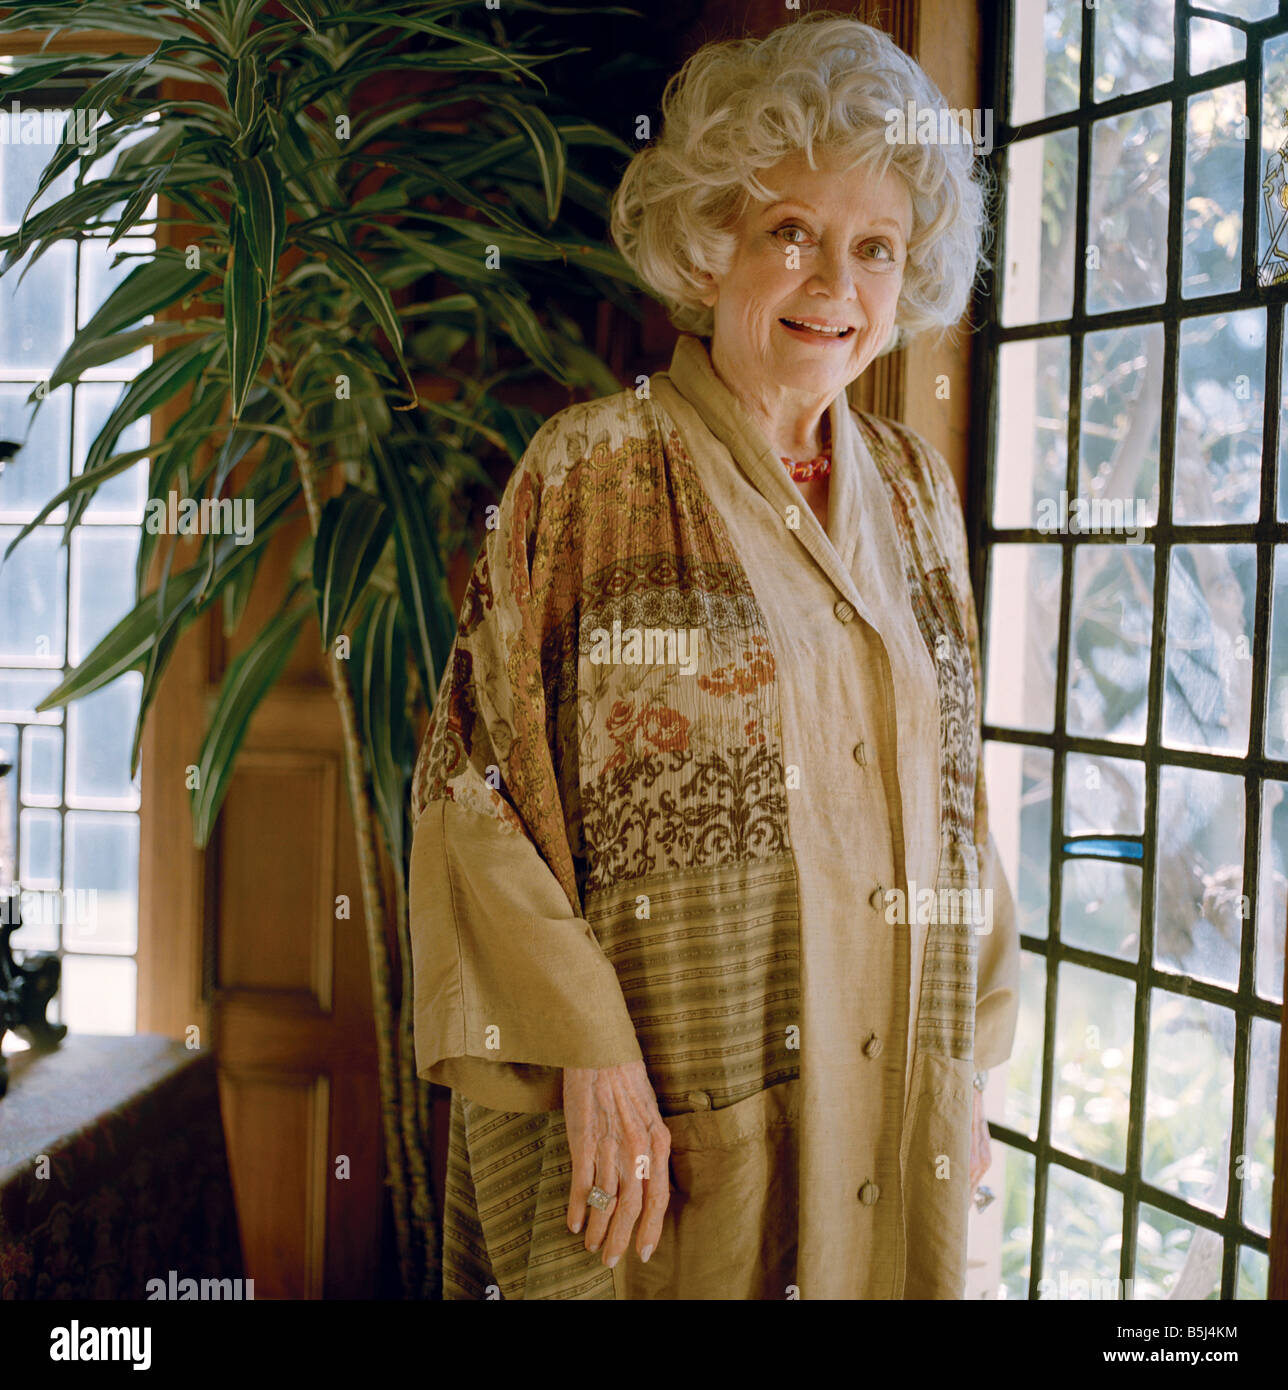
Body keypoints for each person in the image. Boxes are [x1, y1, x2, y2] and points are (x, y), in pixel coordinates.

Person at [408, 11, 1019, 1300]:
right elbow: (474, 786)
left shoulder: (914, 495)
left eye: (873, 250)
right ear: (711, 241)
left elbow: (956, 798)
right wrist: (587, 1054)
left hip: (885, 1093)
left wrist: (966, 1058)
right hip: (666, 1127)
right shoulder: (590, 472)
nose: (832, 286)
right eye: (790, 233)